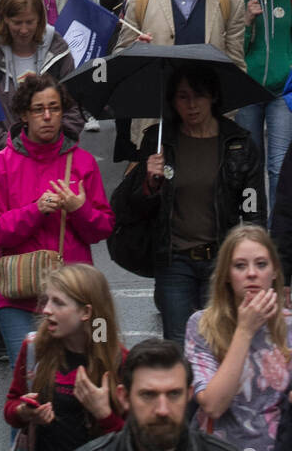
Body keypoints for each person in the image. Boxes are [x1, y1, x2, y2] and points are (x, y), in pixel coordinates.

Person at [112, 68, 264, 345]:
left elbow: (254, 212)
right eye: (183, 97)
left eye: (199, 96)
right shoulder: (158, 141)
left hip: (220, 261)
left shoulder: (239, 144)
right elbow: (127, 209)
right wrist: (148, 183)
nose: (191, 105)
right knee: (178, 347)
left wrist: (255, 264)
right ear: (172, 101)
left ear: (213, 97)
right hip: (174, 261)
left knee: (217, 344)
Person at [0, 73, 114, 365]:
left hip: (72, 294)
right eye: (39, 109)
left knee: (73, 378)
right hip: (18, 297)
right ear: (24, 115)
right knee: (31, 380)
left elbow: (102, 227)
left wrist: (79, 208)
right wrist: (35, 211)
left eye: (54, 108)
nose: (48, 116)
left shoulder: (83, 163)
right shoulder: (2, 163)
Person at [184, 225, 292, 451]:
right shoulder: (201, 325)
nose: (252, 274)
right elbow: (213, 405)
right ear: (226, 274)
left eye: (261, 264)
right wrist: (244, 331)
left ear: (275, 271)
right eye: (240, 266)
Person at [4, 264, 126, 451]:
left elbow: (133, 443)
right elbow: (12, 405)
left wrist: (104, 414)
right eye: (47, 300)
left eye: (58, 303)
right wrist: (24, 412)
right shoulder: (35, 348)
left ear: (85, 312)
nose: (46, 310)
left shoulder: (118, 359)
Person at [68, 337, 241, 451]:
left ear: (189, 395)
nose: (162, 410)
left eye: (174, 394)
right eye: (148, 395)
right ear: (125, 398)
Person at [239, 0, 292, 211]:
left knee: (279, 166)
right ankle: (253, 226)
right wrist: (246, 22)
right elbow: (233, 48)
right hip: (247, 91)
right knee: (249, 166)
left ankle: (277, 233)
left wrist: (291, 67)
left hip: (283, 92)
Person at [0, 0, 80, 159]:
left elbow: (75, 106)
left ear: (40, 19)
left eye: (30, 22)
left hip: (55, 157)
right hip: (7, 161)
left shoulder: (59, 53)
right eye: (17, 22)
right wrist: (9, 147)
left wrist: (59, 143)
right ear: (4, 19)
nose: (23, 30)